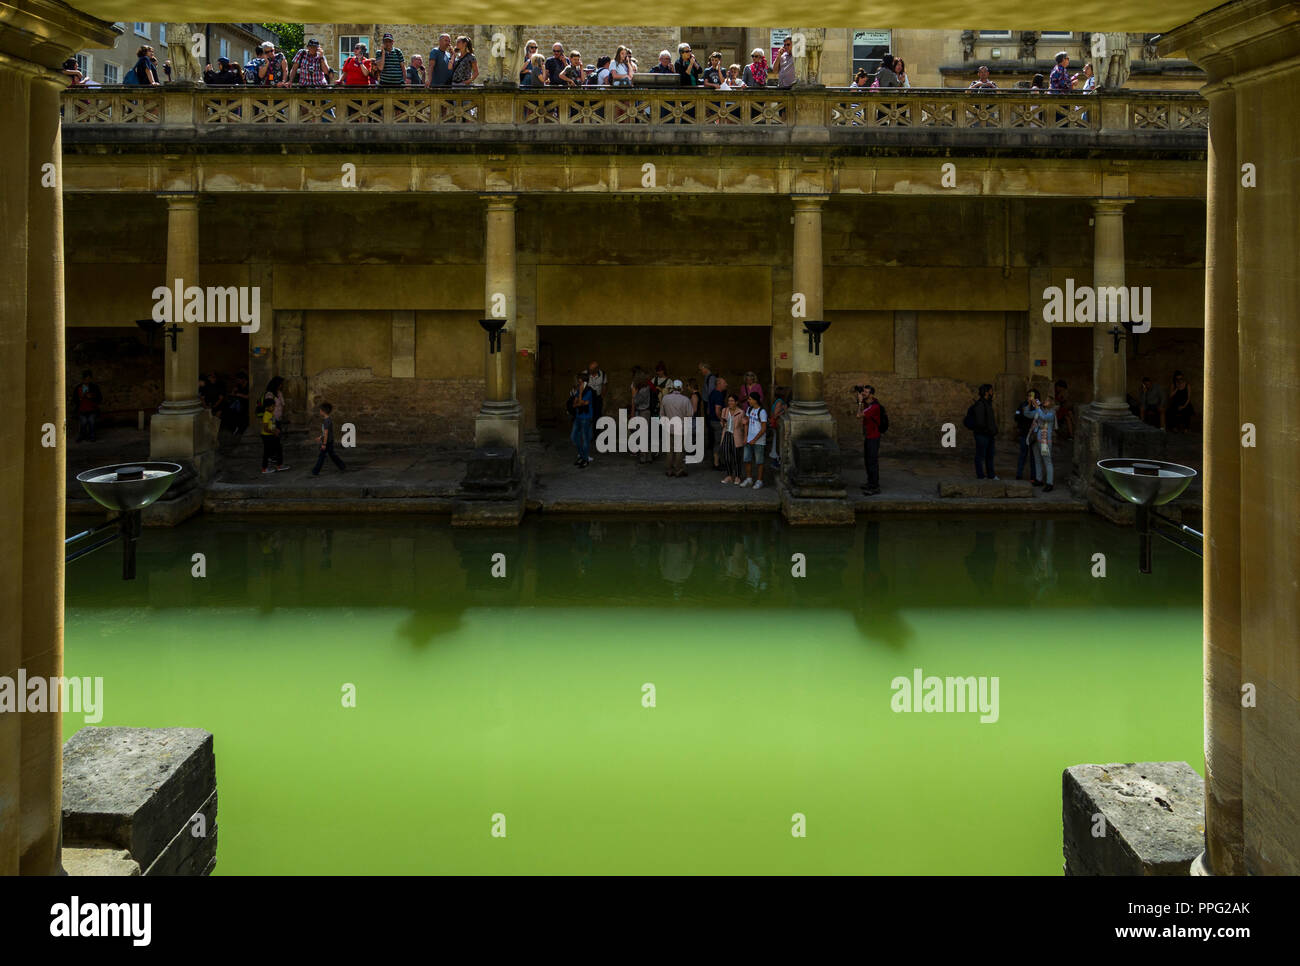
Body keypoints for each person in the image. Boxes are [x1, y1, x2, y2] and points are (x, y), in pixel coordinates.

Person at [661, 380, 695, 478]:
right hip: (680, 427)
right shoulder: (685, 400)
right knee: (679, 450)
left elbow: (662, 414)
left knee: (669, 449)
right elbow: (690, 414)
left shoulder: (665, 398)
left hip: (669, 427)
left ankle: (669, 469)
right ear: (681, 388)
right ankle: (678, 469)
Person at [965, 383, 999, 480]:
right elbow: (980, 422)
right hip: (982, 434)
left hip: (989, 434)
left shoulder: (988, 403)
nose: (993, 392)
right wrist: (988, 430)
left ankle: (991, 475)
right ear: (986, 392)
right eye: (991, 390)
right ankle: (981, 475)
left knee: (990, 456)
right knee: (980, 456)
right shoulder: (980, 404)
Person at [1029, 395, 1059, 492]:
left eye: (1047, 400)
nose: (1045, 401)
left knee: (1047, 461)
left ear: (1051, 403)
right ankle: (1039, 479)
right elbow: (1031, 414)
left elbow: (1044, 417)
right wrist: (1033, 404)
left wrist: (1037, 407)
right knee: (1037, 459)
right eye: (1045, 400)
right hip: (1036, 438)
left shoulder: (1052, 413)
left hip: (1045, 439)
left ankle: (1050, 483)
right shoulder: (1040, 409)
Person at [741, 391, 768, 489]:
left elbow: (763, 428)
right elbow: (747, 423)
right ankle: (749, 478)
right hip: (749, 439)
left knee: (759, 461)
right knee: (747, 459)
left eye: (750, 399)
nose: (748, 401)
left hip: (759, 441)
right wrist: (745, 437)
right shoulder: (749, 409)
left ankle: (759, 480)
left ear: (755, 400)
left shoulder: (762, 412)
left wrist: (755, 439)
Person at [858, 385, 882, 495]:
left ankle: (875, 487)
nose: (864, 394)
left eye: (866, 392)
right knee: (868, 461)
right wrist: (859, 390)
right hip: (869, 436)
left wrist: (859, 403)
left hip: (873, 437)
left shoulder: (874, 407)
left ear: (871, 394)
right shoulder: (870, 402)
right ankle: (870, 483)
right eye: (864, 392)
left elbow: (859, 415)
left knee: (872, 462)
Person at [1014, 388, 1041, 484]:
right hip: (1024, 433)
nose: (1029, 397)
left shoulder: (1038, 406)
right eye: (1028, 395)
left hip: (1034, 435)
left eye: (1031, 396)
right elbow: (1016, 417)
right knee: (1023, 454)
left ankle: (1034, 476)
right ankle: (1019, 474)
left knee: (1034, 456)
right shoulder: (1022, 405)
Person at [311, 402, 346, 475]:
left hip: (327, 442)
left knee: (322, 456)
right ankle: (342, 466)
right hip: (329, 440)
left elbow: (326, 434)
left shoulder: (326, 421)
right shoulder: (327, 420)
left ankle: (315, 471)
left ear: (323, 411)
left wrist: (324, 443)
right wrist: (320, 437)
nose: (319, 412)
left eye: (320, 410)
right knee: (332, 454)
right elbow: (326, 432)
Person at [720, 393, 746, 484]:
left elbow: (743, 425)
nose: (730, 402)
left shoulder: (741, 412)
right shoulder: (724, 410)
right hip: (726, 434)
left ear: (736, 402)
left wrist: (745, 436)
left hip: (736, 436)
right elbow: (722, 422)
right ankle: (729, 476)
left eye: (732, 401)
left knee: (736, 457)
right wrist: (723, 422)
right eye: (729, 401)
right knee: (727, 457)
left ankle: (738, 476)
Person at [258, 394, 288, 473]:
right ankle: (265, 468)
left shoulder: (271, 414)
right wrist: (274, 432)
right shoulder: (266, 415)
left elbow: (272, 425)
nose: (274, 408)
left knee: (278, 449)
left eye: (274, 406)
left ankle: (279, 465)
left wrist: (276, 430)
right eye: (272, 406)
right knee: (267, 452)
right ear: (267, 407)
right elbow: (265, 428)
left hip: (271, 435)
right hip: (267, 436)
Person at [570, 372, 593, 467]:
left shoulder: (589, 391)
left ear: (584, 382)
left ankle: (585, 459)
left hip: (586, 418)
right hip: (578, 417)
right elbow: (574, 404)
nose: (578, 384)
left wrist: (580, 395)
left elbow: (581, 402)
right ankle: (582, 455)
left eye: (580, 382)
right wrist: (580, 400)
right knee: (574, 437)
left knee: (585, 438)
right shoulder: (579, 390)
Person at [72, 369, 102, 442]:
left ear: (90, 379)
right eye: (85, 379)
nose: (87, 381)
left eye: (88, 379)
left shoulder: (94, 387)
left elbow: (100, 398)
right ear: (83, 379)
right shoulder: (78, 388)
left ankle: (92, 436)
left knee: (91, 421)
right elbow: (74, 399)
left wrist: (92, 397)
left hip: (92, 410)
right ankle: (82, 436)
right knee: (84, 422)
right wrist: (80, 398)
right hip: (81, 410)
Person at [633, 374, 655, 464]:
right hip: (647, 412)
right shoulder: (648, 388)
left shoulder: (642, 390)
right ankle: (648, 456)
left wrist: (634, 394)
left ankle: (643, 457)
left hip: (642, 412)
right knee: (647, 435)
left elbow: (636, 401)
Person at [708, 376, 728, 469]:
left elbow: (709, 410)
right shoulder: (719, 394)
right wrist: (722, 420)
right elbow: (717, 410)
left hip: (712, 420)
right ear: (719, 384)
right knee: (719, 442)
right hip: (717, 421)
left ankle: (717, 461)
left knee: (717, 441)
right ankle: (717, 463)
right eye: (724, 383)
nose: (726, 384)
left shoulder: (712, 393)